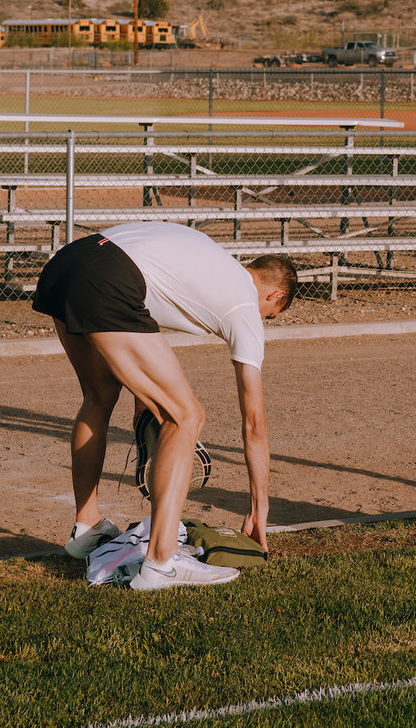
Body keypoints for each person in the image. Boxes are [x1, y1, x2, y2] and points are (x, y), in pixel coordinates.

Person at [34, 221, 297, 590]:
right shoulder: (243, 303)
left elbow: (144, 308)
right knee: (187, 415)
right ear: (275, 296)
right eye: (270, 317)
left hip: (68, 264)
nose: (263, 322)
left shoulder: (212, 260)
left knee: (99, 395)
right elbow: (255, 423)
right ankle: (161, 561)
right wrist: (258, 508)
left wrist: (145, 396)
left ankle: (87, 529)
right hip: (110, 278)